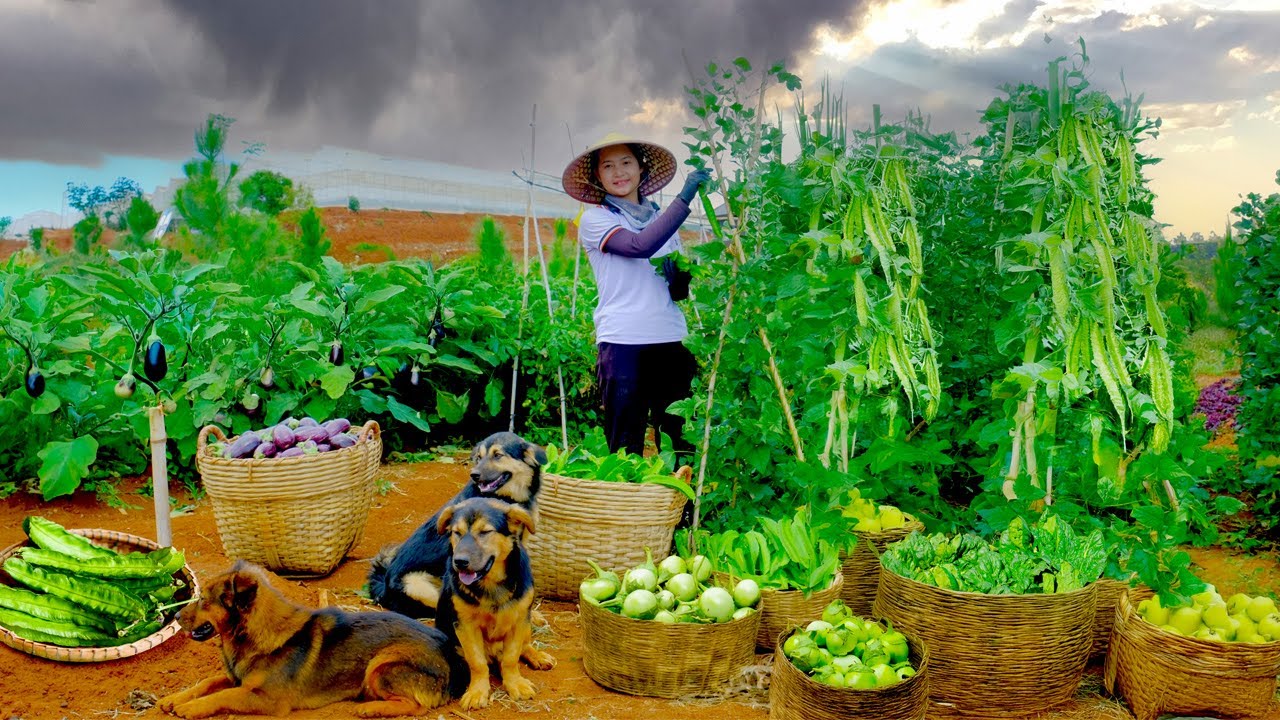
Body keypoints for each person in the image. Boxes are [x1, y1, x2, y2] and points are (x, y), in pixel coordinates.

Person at [561, 132, 711, 462]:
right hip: (623, 341)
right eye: (608, 166)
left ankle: (679, 514)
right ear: (598, 177)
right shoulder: (597, 219)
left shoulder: (661, 220)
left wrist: (682, 279)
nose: (619, 172)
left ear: (641, 169)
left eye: (626, 162)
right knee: (625, 444)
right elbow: (638, 246)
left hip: (671, 339)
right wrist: (685, 197)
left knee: (678, 442)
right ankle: (626, 512)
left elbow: (676, 292)